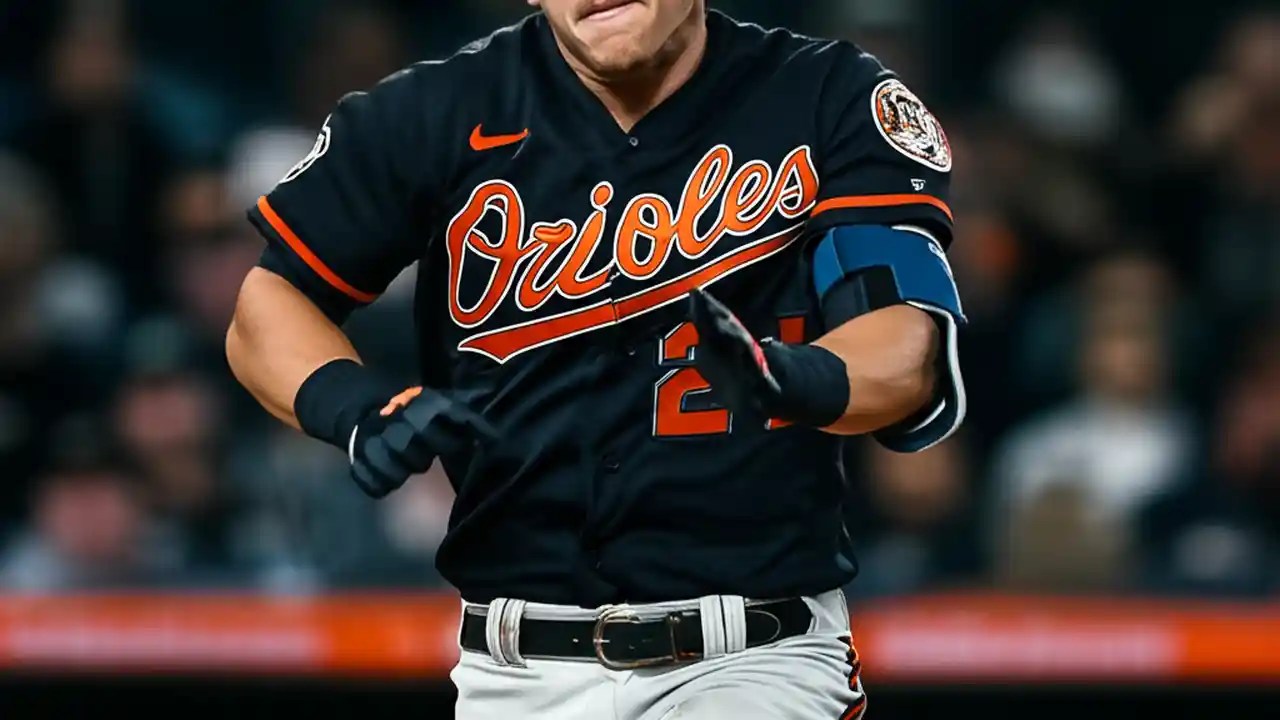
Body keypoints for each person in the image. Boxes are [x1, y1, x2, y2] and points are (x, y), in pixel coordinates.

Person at [225, 1, 966, 717]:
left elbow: (903, 340)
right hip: (511, 669)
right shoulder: (436, 111)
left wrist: (794, 377)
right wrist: (352, 410)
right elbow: (270, 303)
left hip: (752, 655)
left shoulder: (826, 96)